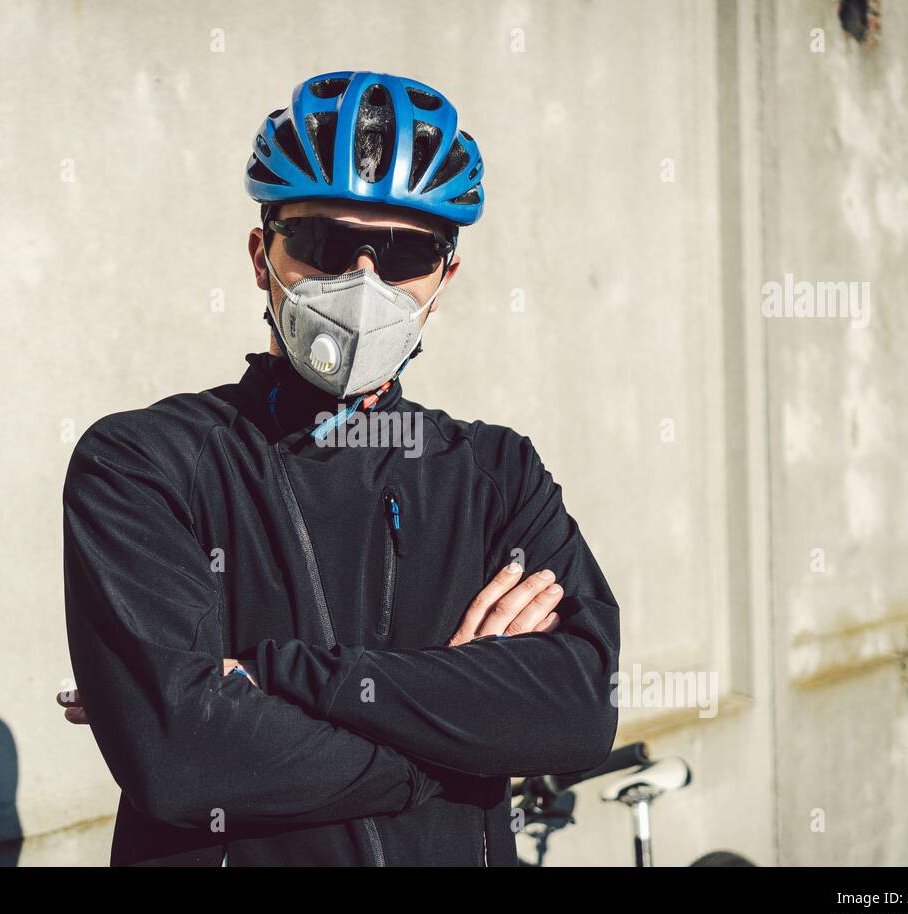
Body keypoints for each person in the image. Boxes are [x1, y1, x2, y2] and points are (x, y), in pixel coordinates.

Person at [59, 70, 621, 866]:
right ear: (263, 255)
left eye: (404, 251)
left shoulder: (497, 474)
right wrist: (456, 738)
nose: (363, 283)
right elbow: (184, 761)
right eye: (323, 243)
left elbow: (576, 714)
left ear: (445, 277)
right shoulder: (143, 465)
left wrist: (267, 673)